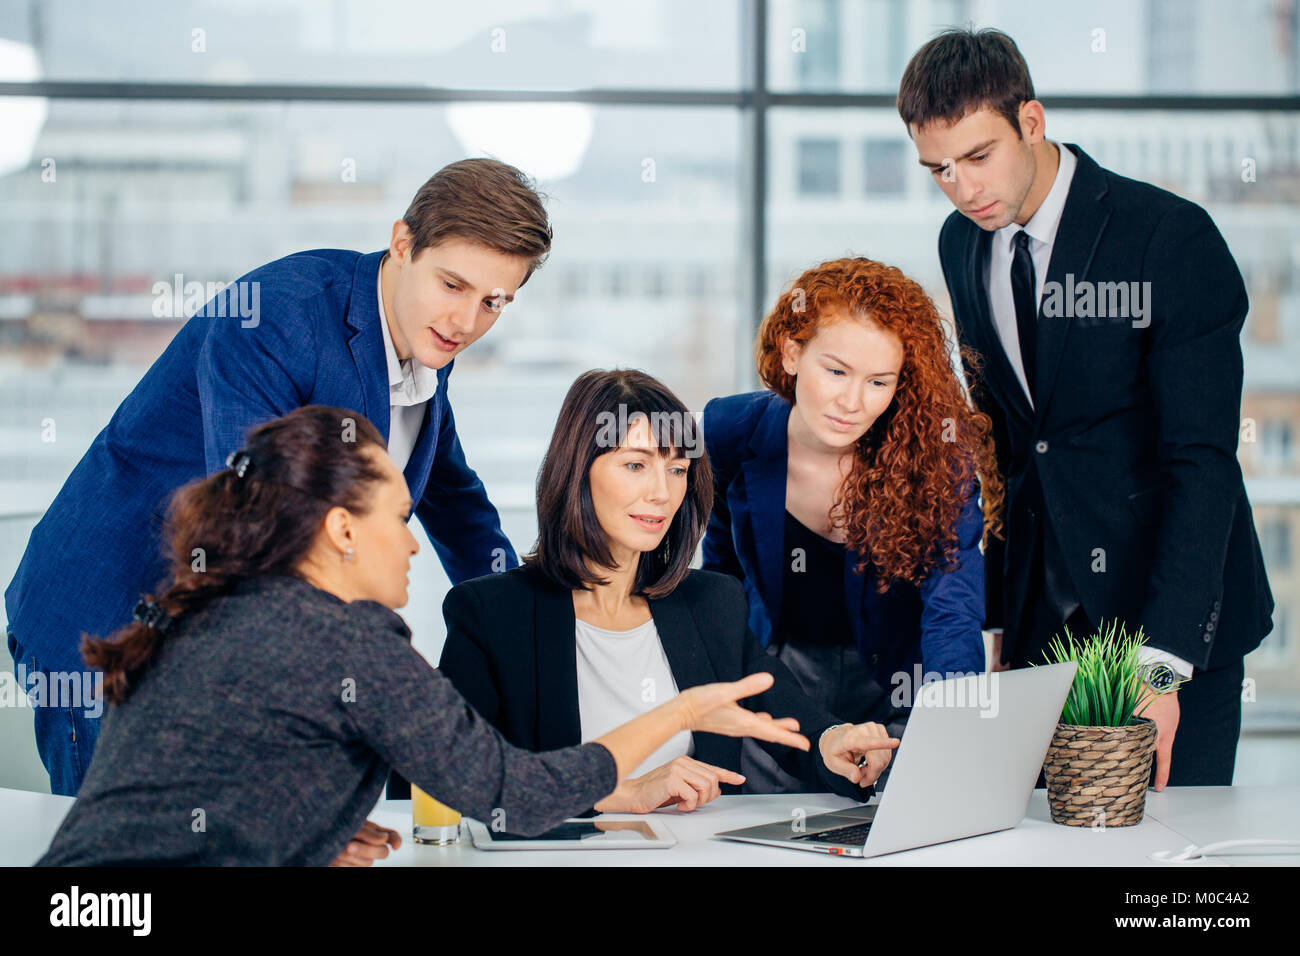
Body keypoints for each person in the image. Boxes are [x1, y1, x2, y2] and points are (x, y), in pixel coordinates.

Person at [34, 405, 809, 866]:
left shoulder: (218, 608)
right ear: (341, 529)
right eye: (399, 519)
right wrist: (680, 713)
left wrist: (308, 833)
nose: (412, 543)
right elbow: (509, 794)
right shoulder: (348, 640)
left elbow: (193, 792)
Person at [6, 157, 546, 797]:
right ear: (403, 244)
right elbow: (252, 524)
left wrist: (524, 630)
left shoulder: (424, 338)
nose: (466, 322)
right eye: (453, 285)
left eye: (494, 302)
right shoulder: (276, 320)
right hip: (111, 618)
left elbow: (457, 504)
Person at [897, 27, 1275, 787]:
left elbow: (1200, 464)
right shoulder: (961, 244)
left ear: (1031, 122)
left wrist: (1164, 668)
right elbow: (1001, 443)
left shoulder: (1166, 238)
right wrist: (998, 616)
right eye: (938, 169)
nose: (963, 188)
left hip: (1169, 617)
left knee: (1167, 856)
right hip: (1044, 623)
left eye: (978, 157)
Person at [437, 369, 900, 814]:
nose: (661, 492)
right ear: (578, 471)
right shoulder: (491, 613)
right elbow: (447, 781)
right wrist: (616, 792)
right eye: (636, 464)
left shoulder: (710, 602)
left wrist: (835, 742)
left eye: (677, 469)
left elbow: (793, 721)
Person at [700, 257, 1002, 792]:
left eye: (879, 382)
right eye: (836, 371)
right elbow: (719, 571)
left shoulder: (937, 459)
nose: (852, 403)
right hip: (777, 681)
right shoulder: (729, 429)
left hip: (896, 684)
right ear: (793, 353)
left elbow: (952, 606)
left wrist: (952, 730)